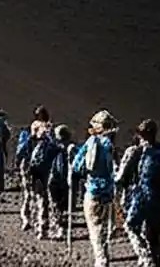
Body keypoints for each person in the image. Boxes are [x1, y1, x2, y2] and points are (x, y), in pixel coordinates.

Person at [116, 119, 160, 267]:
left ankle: (146, 255)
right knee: (154, 230)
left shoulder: (136, 151)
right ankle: (157, 260)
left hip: (140, 196)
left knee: (131, 225)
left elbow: (122, 175)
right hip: (159, 198)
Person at [72, 110, 120, 267]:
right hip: (109, 191)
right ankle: (104, 255)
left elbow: (78, 167)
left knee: (95, 228)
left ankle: (101, 260)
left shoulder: (91, 143)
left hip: (93, 190)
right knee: (105, 226)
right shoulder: (110, 146)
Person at [20, 106, 55, 237]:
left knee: (29, 195)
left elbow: (24, 151)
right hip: (44, 170)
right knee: (43, 198)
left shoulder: (33, 135)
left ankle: (27, 219)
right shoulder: (50, 131)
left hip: (31, 169)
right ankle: (42, 225)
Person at [48, 124, 76, 239]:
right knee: (61, 205)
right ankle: (59, 228)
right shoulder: (70, 148)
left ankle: (59, 228)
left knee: (57, 205)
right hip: (63, 180)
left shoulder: (55, 147)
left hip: (57, 179)